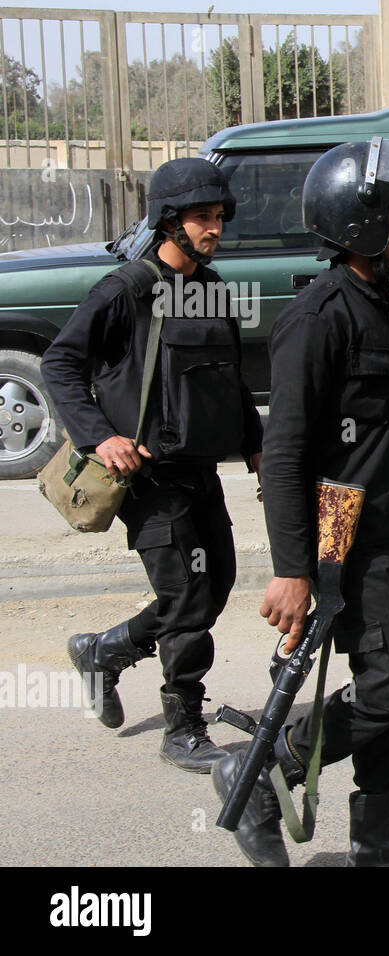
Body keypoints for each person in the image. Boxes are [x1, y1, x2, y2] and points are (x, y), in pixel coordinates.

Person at [213, 137, 389, 867]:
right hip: (340, 541)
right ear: (363, 224)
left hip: (384, 533)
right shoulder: (319, 319)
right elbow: (282, 455)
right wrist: (292, 568)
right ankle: (263, 768)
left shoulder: (375, 303)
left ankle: (377, 845)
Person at [44, 157, 262, 773]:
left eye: (218, 216)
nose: (213, 227)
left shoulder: (213, 289)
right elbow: (61, 363)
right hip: (147, 477)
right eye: (201, 217)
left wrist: (258, 447)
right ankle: (183, 726)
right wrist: (98, 437)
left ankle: (105, 650)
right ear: (169, 222)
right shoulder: (125, 290)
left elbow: (232, 380)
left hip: (201, 472)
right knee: (188, 597)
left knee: (213, 586)